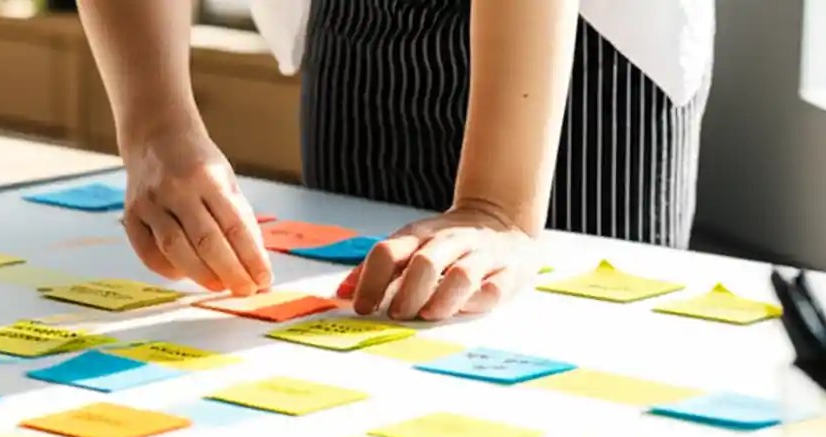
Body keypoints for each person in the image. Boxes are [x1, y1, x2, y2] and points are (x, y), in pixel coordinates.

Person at [75, 0, 714, 321]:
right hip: (356, 20)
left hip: (580, 36)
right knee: (362, 339)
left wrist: (497, 209)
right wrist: (156, 127)